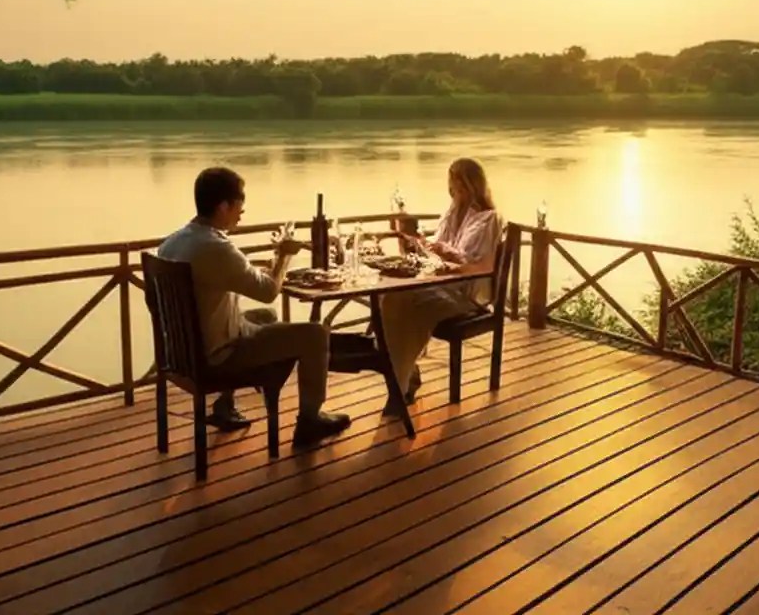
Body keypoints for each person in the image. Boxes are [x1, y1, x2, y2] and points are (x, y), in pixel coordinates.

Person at [156, 166, 352, 447]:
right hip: (217, 356)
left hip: (181, 352)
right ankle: (310, 419)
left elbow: (238, 277)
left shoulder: (173, 242)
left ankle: (225, 406)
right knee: (315, 334)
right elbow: (269, 290)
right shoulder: (216, 248)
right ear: (223, 206)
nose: (241, 213)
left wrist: (272, 262)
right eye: (240, 206)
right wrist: (284, 255)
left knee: (266, 317)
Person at [380, 158, 503, 415]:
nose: (456, 190)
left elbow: (470, 261)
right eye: (453, 185)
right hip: (444, 285)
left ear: (474, 185)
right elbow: (436, 249)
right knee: (390, 296)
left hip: (467, 296)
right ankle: (404, 377)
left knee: (407, 302)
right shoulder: (451, 212)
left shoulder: (488, 219)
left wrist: (443, 251)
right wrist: (417, 242)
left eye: (461, 185)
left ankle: (400, 386)